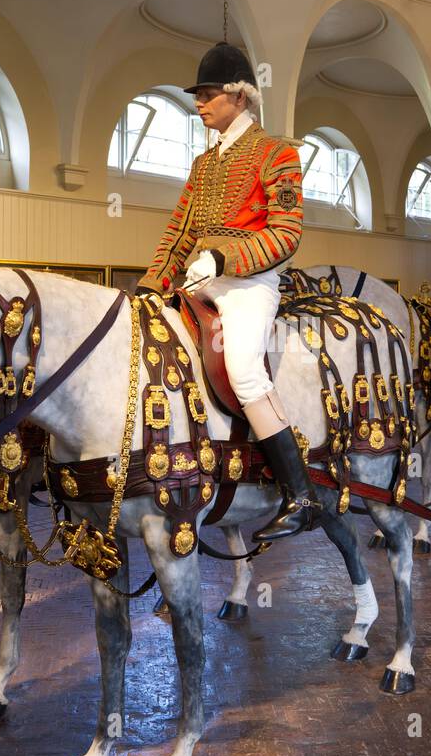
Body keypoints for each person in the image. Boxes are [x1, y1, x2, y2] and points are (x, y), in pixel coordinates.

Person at [136, 41, 317, 543]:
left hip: (249, 285)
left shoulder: (278, 152)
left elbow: (287, 232)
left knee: (242, 370)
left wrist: (227, 259)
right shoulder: (202, 164)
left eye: (210, 93)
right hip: (199, 281)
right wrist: (152, 286)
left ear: (240, 97)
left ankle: (301, 494)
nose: (200, 102)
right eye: (198, 94)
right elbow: (178, 232)